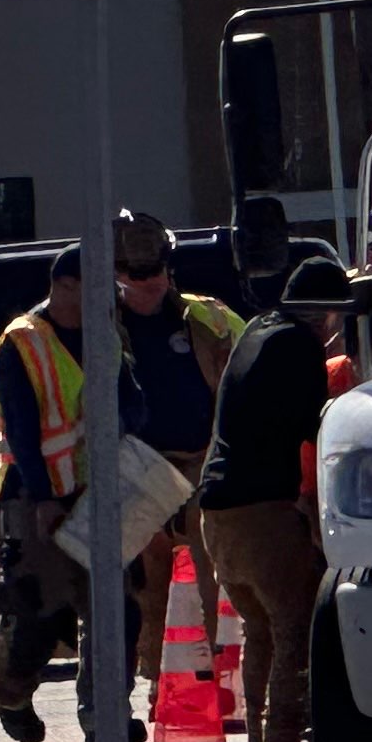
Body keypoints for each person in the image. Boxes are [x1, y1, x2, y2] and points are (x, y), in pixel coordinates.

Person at [201, 256, 355, 742]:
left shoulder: (257, 330)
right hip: (262, 511)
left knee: (260, 630)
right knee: (296, 631)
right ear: (327, 315)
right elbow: (317, 427)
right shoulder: (299, 346)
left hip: (216, 511)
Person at [0, 250, 114, 742]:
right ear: (65, 285)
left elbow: (130, 393)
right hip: (36, 496)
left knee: (113, 607)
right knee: (38, 610)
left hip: (97, 491)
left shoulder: (104, 332)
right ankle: (6, 692)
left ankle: (103, 717)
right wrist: (42, 498)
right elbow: (21, 428)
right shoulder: (23, 344)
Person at [107, 208, 241, 692]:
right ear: (115, 273)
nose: (152, 280)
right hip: (134, 468)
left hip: (199, 462)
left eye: (160, 267)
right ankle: (157, 685)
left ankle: (207, 680)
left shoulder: (206, 317)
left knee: (210, 576)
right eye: (138, 272)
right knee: (144, 587)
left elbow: (248, 376)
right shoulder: (98, 331)